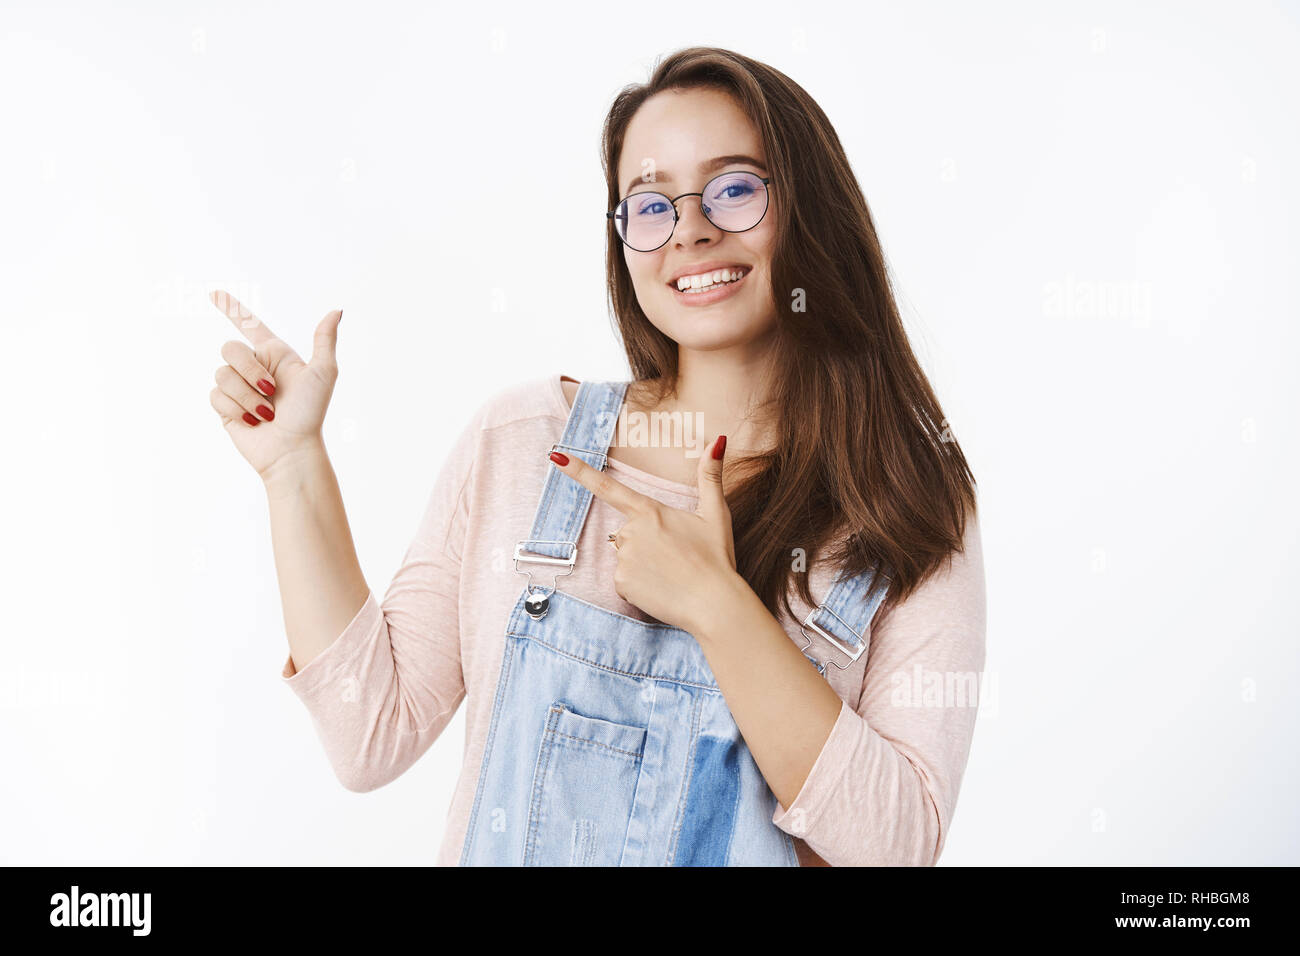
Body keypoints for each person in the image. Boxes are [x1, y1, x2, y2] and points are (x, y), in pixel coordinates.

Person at [207, 46, 986, 867]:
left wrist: (718, 608)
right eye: (649, 204)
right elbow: (370, 734)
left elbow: (898, 847)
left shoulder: (902, 506)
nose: (690, 228)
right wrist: (292, 467)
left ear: (810, 209)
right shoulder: (521, 441)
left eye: (734, 188)